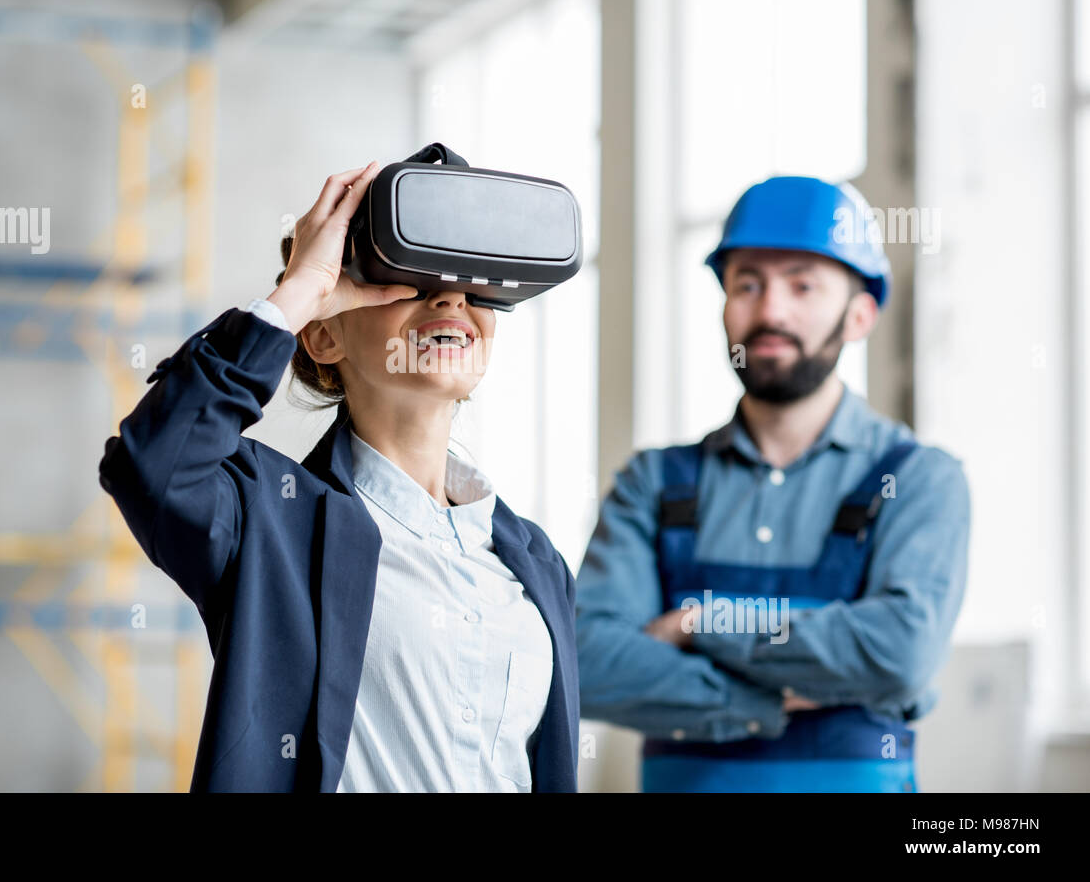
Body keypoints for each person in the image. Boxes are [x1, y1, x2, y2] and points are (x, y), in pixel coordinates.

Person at [99, 161, 579, 791]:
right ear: (323, 336)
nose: (450, 294)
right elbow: (150, 462)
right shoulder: (272, 521)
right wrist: (300, 289)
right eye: (406, 277)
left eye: (471, 283)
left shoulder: (535, 563)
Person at [574, 176, 970, 792]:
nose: (770, 311)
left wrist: (699, 623)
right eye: (747, 283)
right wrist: (766, 701)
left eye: (802, 285)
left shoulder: (918, 480)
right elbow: (588, 665)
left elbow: (900, 655)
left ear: (859, 314)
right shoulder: (652, 484)